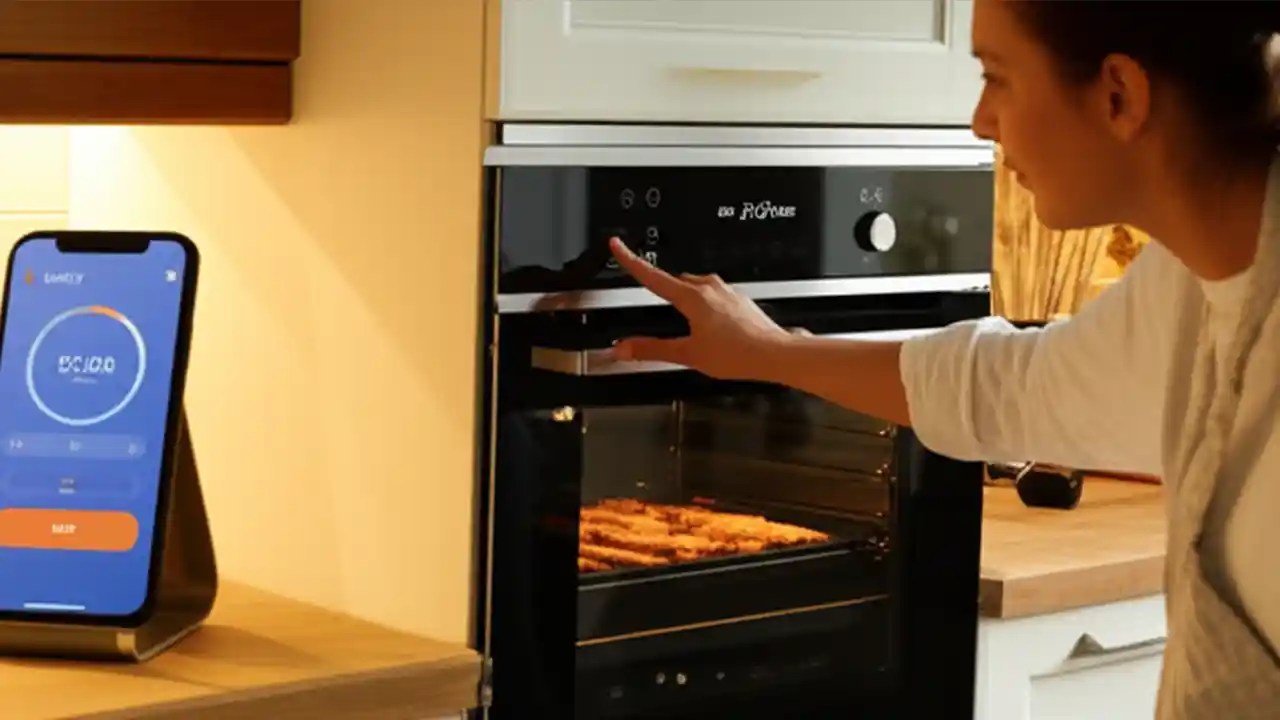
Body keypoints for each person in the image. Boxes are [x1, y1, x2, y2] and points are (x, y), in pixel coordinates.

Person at [604, 1, 1280, 717]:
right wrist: (769, 351)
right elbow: (1011, 386)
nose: (980, 121)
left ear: (1119, 95)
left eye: (997, 77)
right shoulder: (1188, 284)